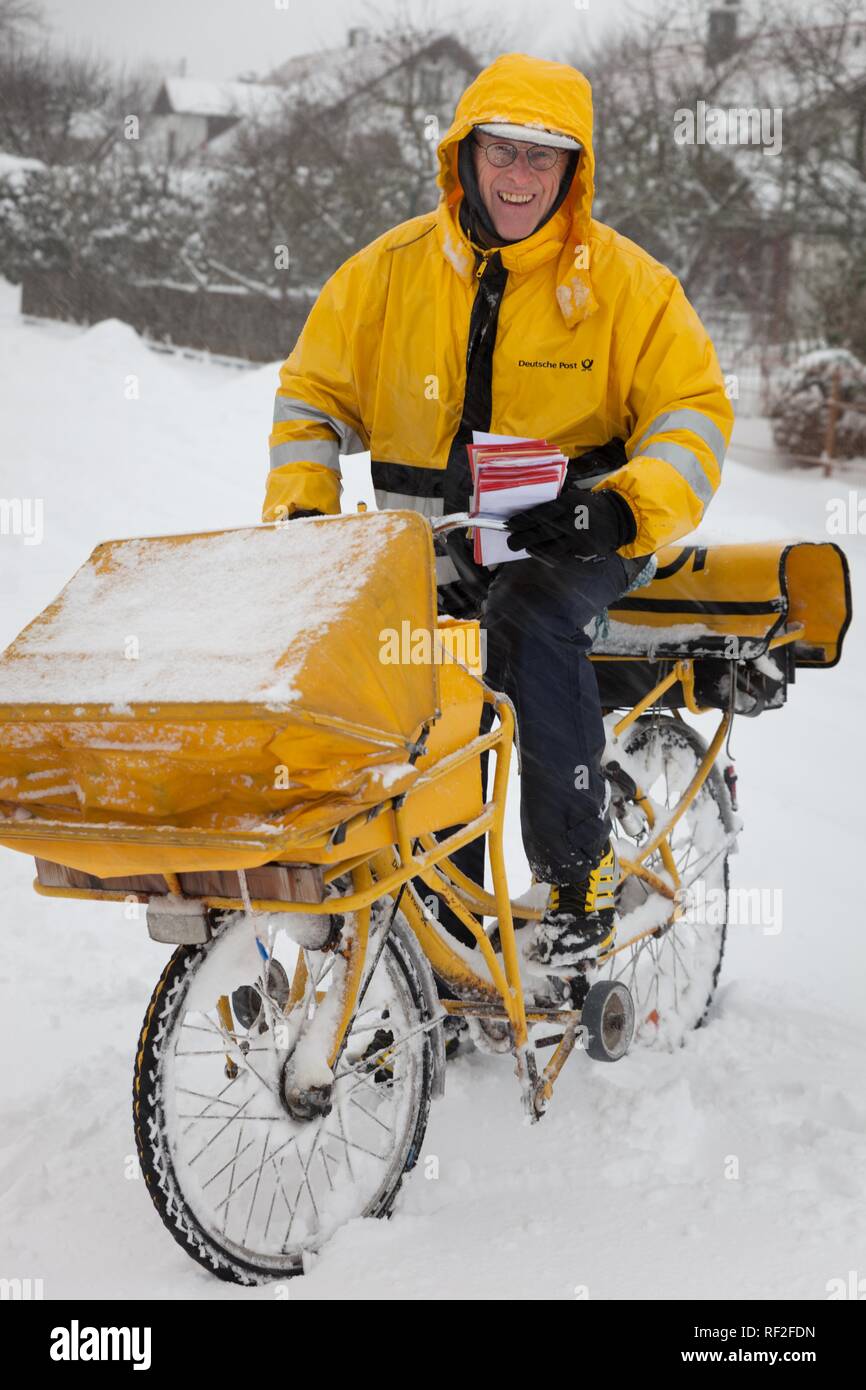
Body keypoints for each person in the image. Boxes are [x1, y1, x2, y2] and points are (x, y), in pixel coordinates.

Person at [263, 52, 734, 973]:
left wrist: (619, 508)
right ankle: (446, 920)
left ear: (573, 172)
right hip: (429, 549)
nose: (520, 178)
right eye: (503, 153)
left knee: (523, 616)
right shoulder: (386, 274)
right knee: (411, 691)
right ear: (465, 155)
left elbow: (693, 413)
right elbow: (309, 398)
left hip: (583, 543)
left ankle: (577, 879)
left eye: (542, 160)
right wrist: (305, 512)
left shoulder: (628, 287)